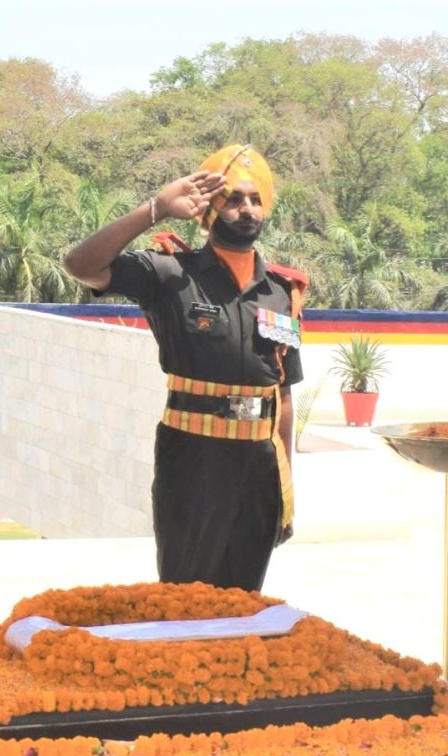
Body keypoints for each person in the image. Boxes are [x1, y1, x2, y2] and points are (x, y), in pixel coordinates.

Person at [64, 145, 307, 593]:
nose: (246, 209)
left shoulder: (281, 290)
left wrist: (285, 484)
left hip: (258, 468)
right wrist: (155, 208)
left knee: (244, 602)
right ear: (209, 208)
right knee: (183, 598)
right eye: (233, 198)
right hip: (194, 460)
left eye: (254, 199)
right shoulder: (169, 272)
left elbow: (284, 394)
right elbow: (80, 265)